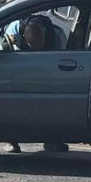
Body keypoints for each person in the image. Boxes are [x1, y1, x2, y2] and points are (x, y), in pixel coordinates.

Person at [6, 15, 70, 154]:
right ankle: (11, 140)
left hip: (46, 66)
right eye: (32, 46)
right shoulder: (13, 30)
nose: (36, 50)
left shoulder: (57, 34)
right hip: (20, 66)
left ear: (45, 35)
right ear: (23, 37)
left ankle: (52, 140)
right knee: (15, 103)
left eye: (39, 46)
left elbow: (60, 58)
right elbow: (7, 55)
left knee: (51, 103)